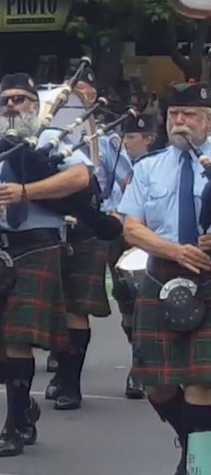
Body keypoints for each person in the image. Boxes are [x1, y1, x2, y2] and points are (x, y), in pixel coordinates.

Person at [0, 72, 88, 458]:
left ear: (37, 105)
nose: (13, 106)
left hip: (36, 246)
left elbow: (81, 177)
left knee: (17, 339)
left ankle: (14, 424)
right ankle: (23, 406)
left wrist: (26, 191)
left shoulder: (55, 142)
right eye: (6, 101)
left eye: (20, 99)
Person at [119, 81, 211, 474]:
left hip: (208, 278)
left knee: (201, 383)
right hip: (162, 274)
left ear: (208, 120)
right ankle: (196, 444)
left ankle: (199, 465)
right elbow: (131, 227)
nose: (180, 122)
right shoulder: (149, 167)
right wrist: (173, 250)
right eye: (174, 115)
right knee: (155, 381)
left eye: (189, 115)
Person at [44, 63, 114, 410]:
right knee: (55, 305)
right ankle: (61, 371)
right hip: (49, 223)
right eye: (72, 92)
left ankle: (71, 382)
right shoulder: (44, 135)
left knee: (76, 306)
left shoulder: (106, 136)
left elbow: (112, 178)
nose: (77, 98)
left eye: (84, 92)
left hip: (90, 225)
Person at [107, 111, 159, 400]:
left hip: (156, 240)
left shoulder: (159, 165)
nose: (125, 142)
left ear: (148, 138)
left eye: (131, 137)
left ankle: (144, 365)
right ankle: (137, 359)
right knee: (128, 306)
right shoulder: (123, 164)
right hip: (123, 239)